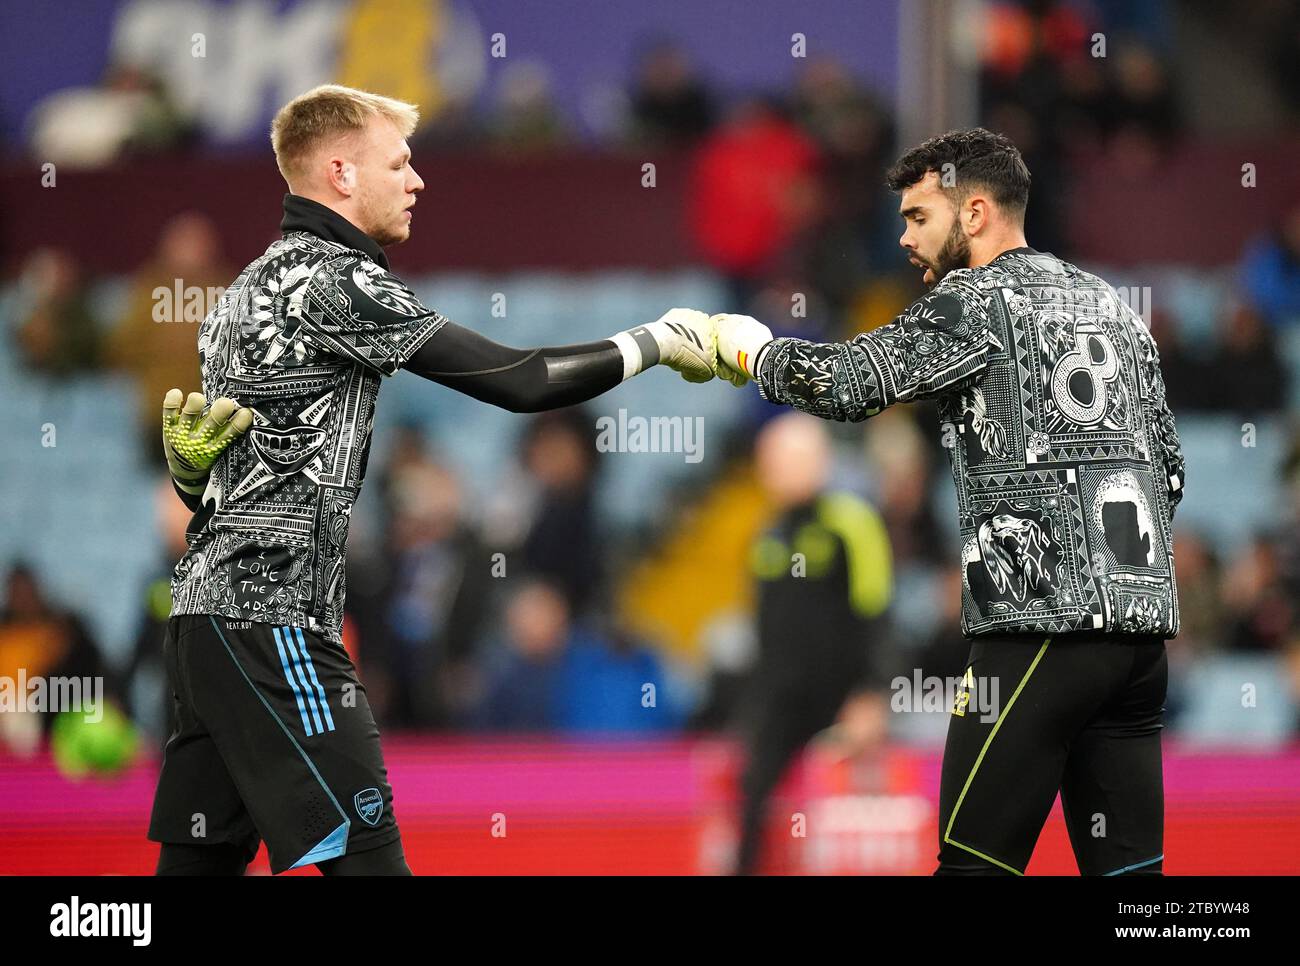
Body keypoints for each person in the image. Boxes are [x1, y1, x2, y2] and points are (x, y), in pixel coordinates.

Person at [148, 84, 719, 877]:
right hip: (277, 626)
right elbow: (522, 381)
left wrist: (189, 480)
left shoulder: (236, 295)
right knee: (374, 865)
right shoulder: (339, 281)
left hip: (202, 623)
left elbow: (233, 486)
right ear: (342, 173)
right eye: (400, 162)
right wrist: (654, 341)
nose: (417, 181)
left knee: (192, 873)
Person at [709, 128, 1186, 876]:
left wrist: (745, 351)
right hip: (1137, 643)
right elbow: (1171, 472)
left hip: (1034, 634)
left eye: (918, 217)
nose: (903, 237)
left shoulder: (973, 299)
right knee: (1133, 890)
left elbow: (846, 385)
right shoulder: (1114, 307)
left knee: (971, 868)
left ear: (974, 213)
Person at [734, 412, 894, 875]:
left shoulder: (853, 523)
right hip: (782, 701)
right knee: (752, 806)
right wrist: (754, 710)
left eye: (786, 460)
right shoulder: (768, 535)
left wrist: (870, 693)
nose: (774, 471)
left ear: (819, 461)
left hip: (842, 699)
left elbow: (876, 610)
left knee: (845, 820)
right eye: (769, 462)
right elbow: (764, 634)